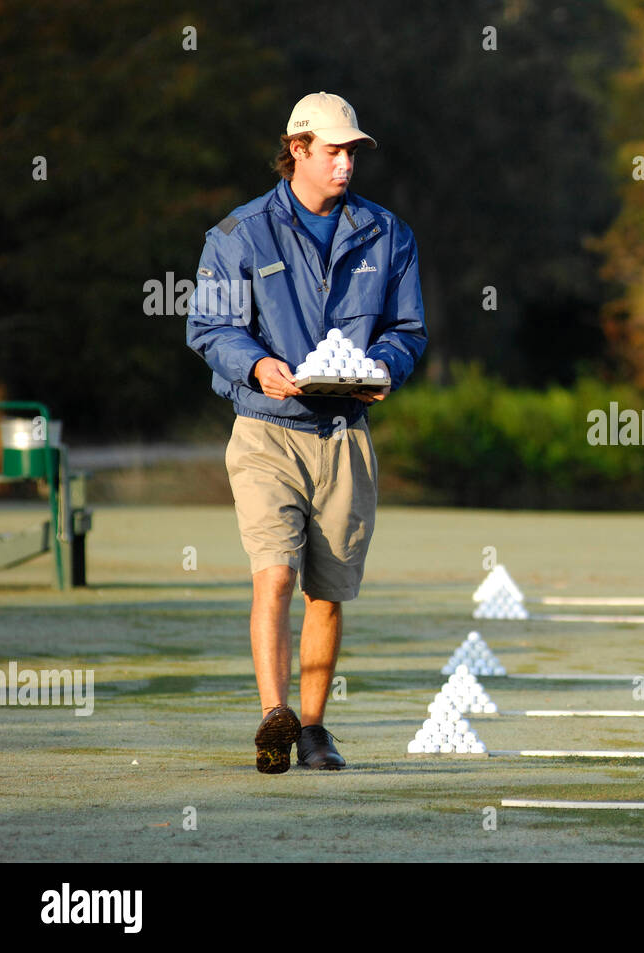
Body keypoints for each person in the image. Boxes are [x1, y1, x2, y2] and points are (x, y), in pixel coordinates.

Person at [186, 92, 427, 773]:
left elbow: (408, 331)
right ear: (297, 149)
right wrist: (256, 363)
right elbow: (210, 328)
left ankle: (315, 728)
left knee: (330, 590)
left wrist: (388, 369)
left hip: (346, 433)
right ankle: (274, 715)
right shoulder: (238, 235)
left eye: (353, 152)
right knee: (277, 575)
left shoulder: (388, 234)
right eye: (333, 151)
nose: (346, 164)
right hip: (265, 431)